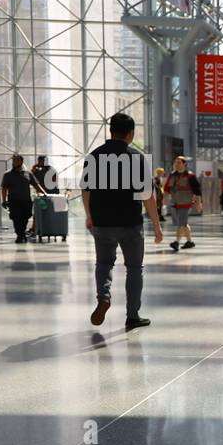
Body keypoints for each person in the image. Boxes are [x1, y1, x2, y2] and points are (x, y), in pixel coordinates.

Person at [80, 112, 164, 330]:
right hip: (130, 223)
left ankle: (104, 298)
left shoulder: (94, 156)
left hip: (102, 222)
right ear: (130, 134)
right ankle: (133, 315)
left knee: (104, 263)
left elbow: (86, 190)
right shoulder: (136, 158)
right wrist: (156, 225)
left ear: (110, 131)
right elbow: (147, 196)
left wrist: (89, 215)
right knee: (134, 268)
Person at [163, 155, 201, 251]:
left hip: (186, 203)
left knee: (180, 223)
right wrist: (164, 198)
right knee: (183, 224)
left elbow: (197, 191)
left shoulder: (190, 176)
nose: (176, 164)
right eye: (175, 162)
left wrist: (198, 203)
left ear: (184, 164)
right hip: (175, 203)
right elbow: (167, 188)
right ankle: (189, 242)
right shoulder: (172, 175)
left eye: (179, 162)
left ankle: (176, 242)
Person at [0, 154, 38, 243]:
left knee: (25, 217)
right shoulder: (8, 174)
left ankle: (22, 234)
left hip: (26, 200)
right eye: (13, 160)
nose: (14, 162)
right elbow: (4, 188)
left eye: (16, 160)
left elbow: (36, 185)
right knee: (16, 218)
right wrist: (4, 200)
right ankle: (20, 235)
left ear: (21, 161)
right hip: (14, 201)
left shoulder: (28, 173)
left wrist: (44, 193)